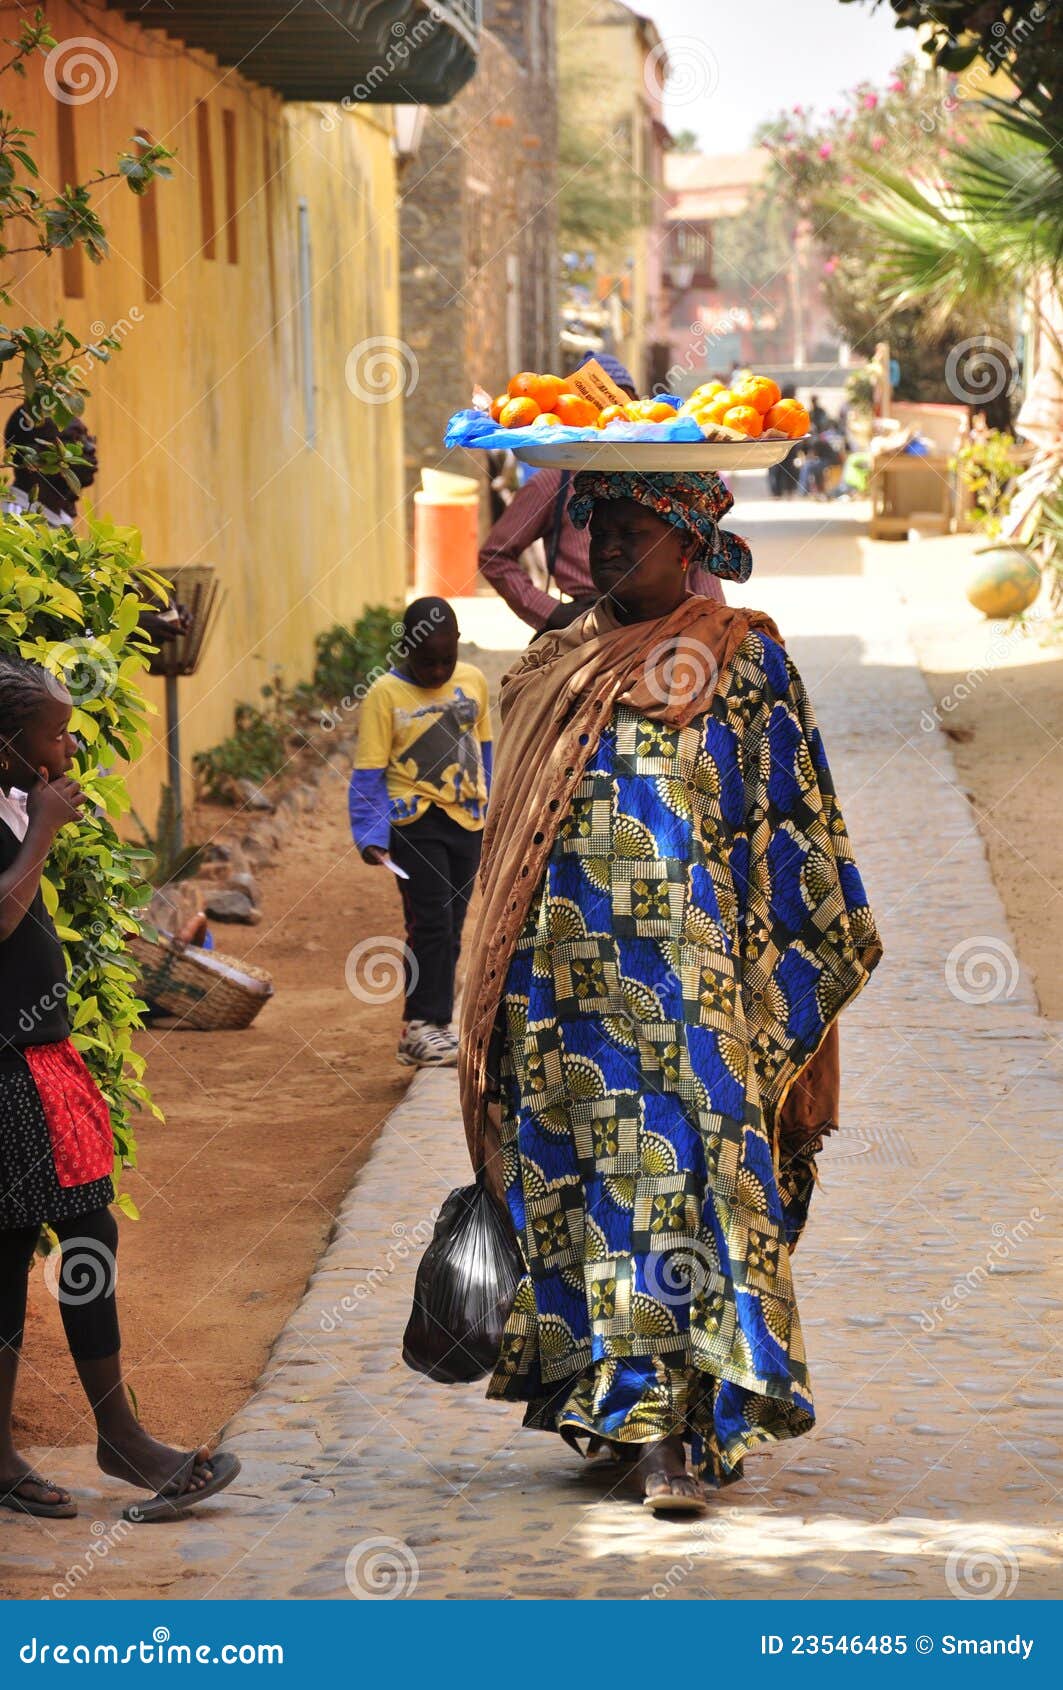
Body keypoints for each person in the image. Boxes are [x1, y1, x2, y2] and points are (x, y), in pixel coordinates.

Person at [458, 472, 882, 1514]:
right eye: (595, 528)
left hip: (693, 991)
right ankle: (614, 1405)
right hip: (561, 995)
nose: (602, 550)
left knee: (682, 1187)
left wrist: (768, 972)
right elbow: (507, 829)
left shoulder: (745, 664)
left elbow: (791, 825)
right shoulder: (556, 661)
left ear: (686, 537)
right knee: (584, 1191)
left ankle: (671, 1434)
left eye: (629, 531)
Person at [0, 653, 240, 1520]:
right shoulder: (21, 819)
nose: (68, 747)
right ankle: (119, 1440)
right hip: (8, 1070)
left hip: (37, 1062)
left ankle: (100, 1439)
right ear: (6, 750)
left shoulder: (18, 802)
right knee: (55, 1239)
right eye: (53, 735)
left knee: (60, 1235)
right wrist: (41, 837)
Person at [479, 353, 726, 636]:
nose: (612, 424)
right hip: (590, 628)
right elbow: (494, 556)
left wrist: (711, 622)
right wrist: (551, 612)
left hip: (676, 628)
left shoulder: (671, 480)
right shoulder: (555, 481)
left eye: (621, 410)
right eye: (598, 533)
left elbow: (701, 556)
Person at [349, 597, 492, 1069]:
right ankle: (419, 1026)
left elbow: (483, 748)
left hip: (466, 819)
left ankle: (436, 1025)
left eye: (445, 660)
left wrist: (488, 805)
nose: (436, 671)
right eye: (425, 660)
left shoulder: (472, 681)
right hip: (413, 824)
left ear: (457, 646)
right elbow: (369, 770)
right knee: (428, 923)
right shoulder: (384, 695)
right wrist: (370, 832)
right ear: (406, 649)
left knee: (451, 927)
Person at [2, 406, 185, 647]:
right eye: (74, 440)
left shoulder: (58, 521)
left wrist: (155, 613)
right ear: (36, 456)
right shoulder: (13, 524)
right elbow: (24, 630)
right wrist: (124, 626)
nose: (90, 447)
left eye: (88, 438)